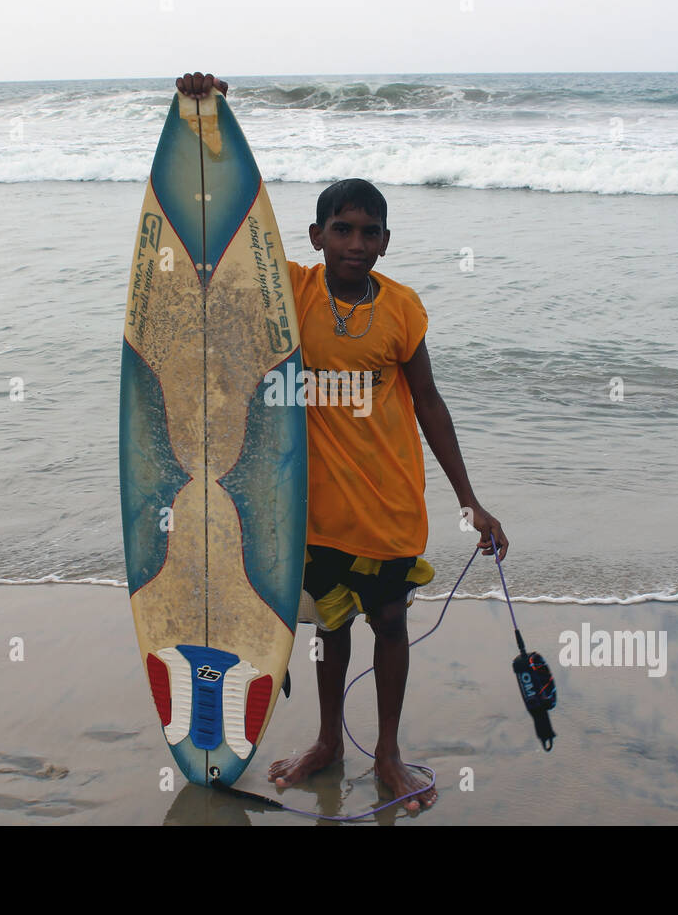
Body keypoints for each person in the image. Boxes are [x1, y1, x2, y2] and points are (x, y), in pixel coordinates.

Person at [175, 71, 509, 811]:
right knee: (329, 626)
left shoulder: (403, 309)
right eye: (342, 229)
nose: (355, 242)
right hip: (315, 508)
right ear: (317, 235)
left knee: (389, 622)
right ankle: (328, 738)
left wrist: (471, 502)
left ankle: (386, 751)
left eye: (369, 232)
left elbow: (428, 402)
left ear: (386, 242)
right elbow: (218, 238)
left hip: (390, 503)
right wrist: (205, 121)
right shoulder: (292, 289)